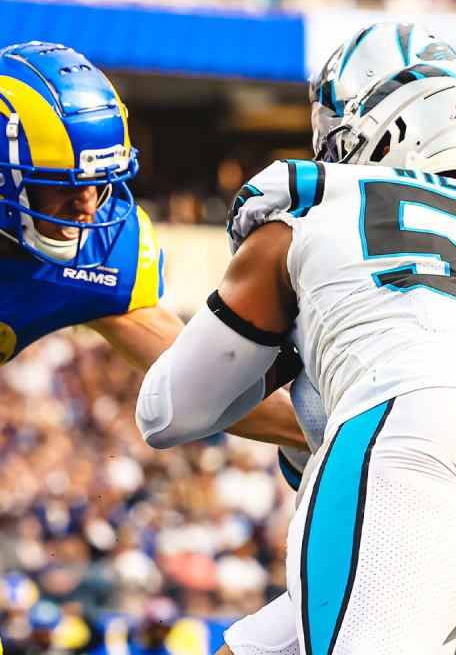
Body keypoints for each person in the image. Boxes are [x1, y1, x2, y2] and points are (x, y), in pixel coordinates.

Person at [135, 60, 456, 654]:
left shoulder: (317, 206)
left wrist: (291, 348)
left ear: (392, 135)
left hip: (410, 445)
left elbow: (166, 414)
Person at [0, 40, 303, 449]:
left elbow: (202, 386)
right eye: (60, 185)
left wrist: (330, 436)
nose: (88, 208)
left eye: (99, 184)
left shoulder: (102, 251)